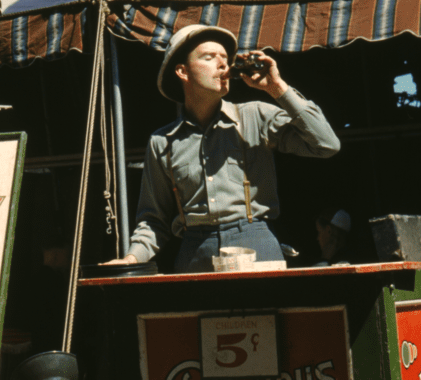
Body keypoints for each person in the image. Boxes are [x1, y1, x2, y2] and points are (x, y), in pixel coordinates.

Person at [103, 24, 340, 273]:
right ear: (182, 72)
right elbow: (153, 220)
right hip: (195, 252)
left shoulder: (255, 116)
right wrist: (131, 258)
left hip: (255, 244)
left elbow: (326, 144)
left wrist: (277, 88)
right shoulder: (163, 141)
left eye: (225, 59)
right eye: (209, 57)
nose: (223, 65)